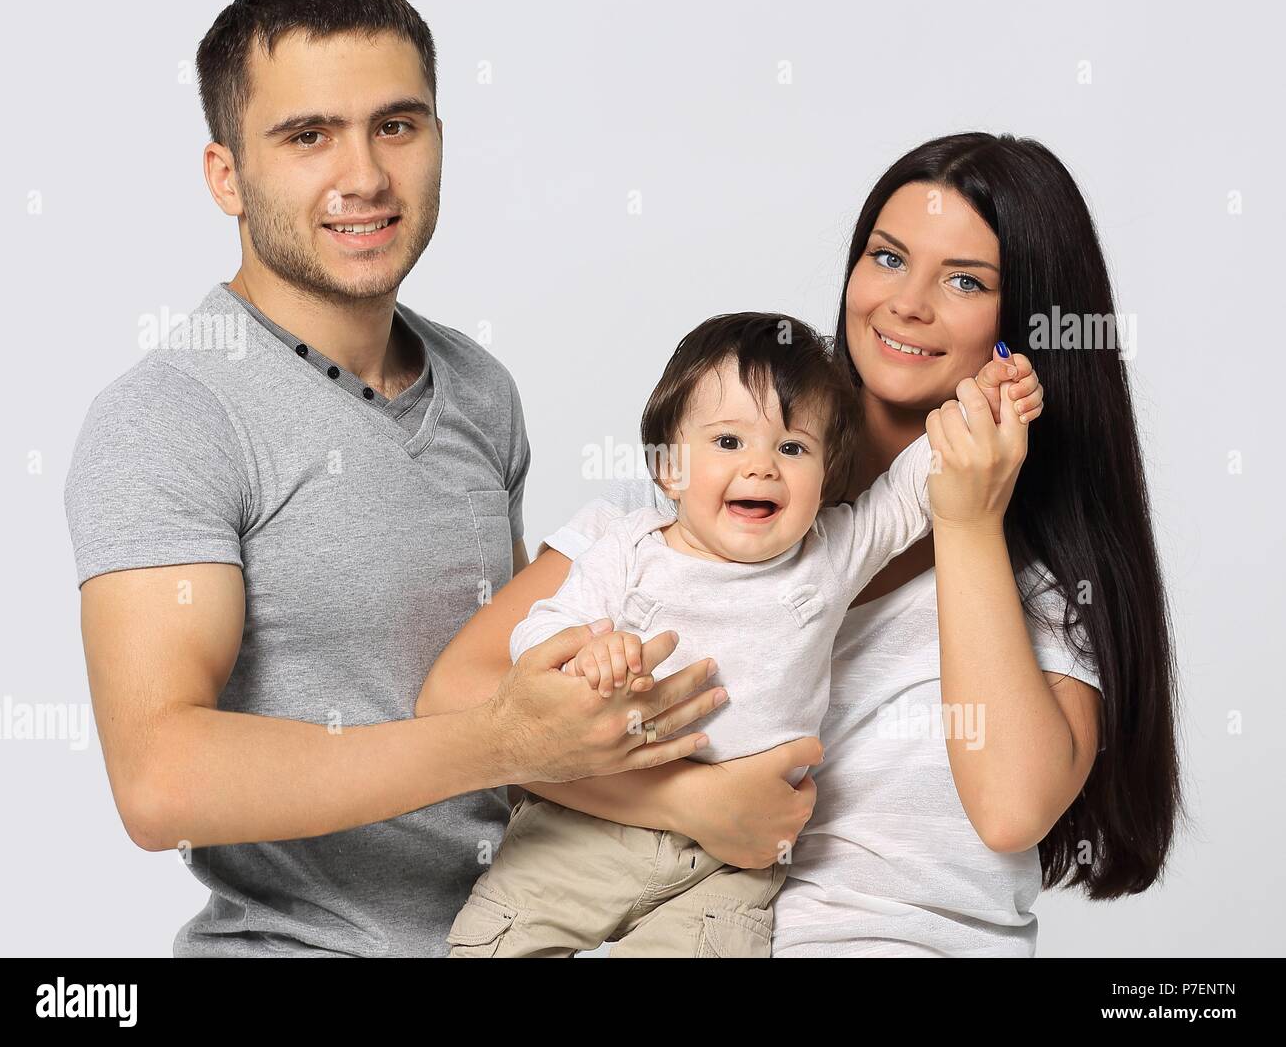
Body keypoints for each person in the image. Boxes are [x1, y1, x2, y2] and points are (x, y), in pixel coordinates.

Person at [62, 0, 722, 958]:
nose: (364, 175)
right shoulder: (170, 415)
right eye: (307, 135)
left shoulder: (480, 388)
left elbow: (513, 690)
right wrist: (503, 738)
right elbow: (160, 780)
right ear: (225, 175)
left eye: (398, 125)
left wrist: (702, 800)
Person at [421, 133, 1182, 956]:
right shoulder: (679, 526)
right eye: (887, 259)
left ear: (1021, 331)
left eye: (965, 280)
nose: (908, 303)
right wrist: (683, 801)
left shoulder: (1042, 595)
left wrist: (967, 517)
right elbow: (456, 702)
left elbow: (1008, 810)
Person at [433, 311, 1042, 956]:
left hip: (733, 863)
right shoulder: (628, 549)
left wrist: (984, 401)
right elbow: (539, 631)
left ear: (825, 478)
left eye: (792, 448)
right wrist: (588, 657)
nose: (761, 467)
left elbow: (905, 493)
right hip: (590, 819)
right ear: (668, 468)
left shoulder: (830, 555)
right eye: (728, 442)